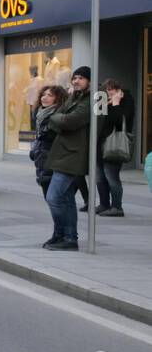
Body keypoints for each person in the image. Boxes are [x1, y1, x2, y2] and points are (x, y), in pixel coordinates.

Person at [42, 67, 92, 250]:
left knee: (53, 197)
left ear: (90, 81)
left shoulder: (90, 99)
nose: (76, 81)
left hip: (73, 154)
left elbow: (69, 121)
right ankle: (68, 238)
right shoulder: (74, 97)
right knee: (67, 199)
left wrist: (60, 120)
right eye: (74, 78)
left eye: (81, 78)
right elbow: (58, 117)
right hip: (64, 152)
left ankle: (64, 235)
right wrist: (60, 119)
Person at [96, 77, 134, 217]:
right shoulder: (103, 101)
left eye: (111, 89)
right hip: (100, 144)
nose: (108, 92)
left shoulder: (126, 101)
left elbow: (120, 122)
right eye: (106, 90)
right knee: (99, 177)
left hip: (114, 145)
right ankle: (104, 204)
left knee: (111, 176)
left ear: (118, 90)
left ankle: (117, 207)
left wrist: (116, 104)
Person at [30, 85, 66, 198]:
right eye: (43, 95)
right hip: (41, 159)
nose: (44, 98)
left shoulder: (58, 116)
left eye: (49, 95)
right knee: (50, 198)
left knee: (54, 199)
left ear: (58, 99)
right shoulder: (39, 114)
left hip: (53, 160)